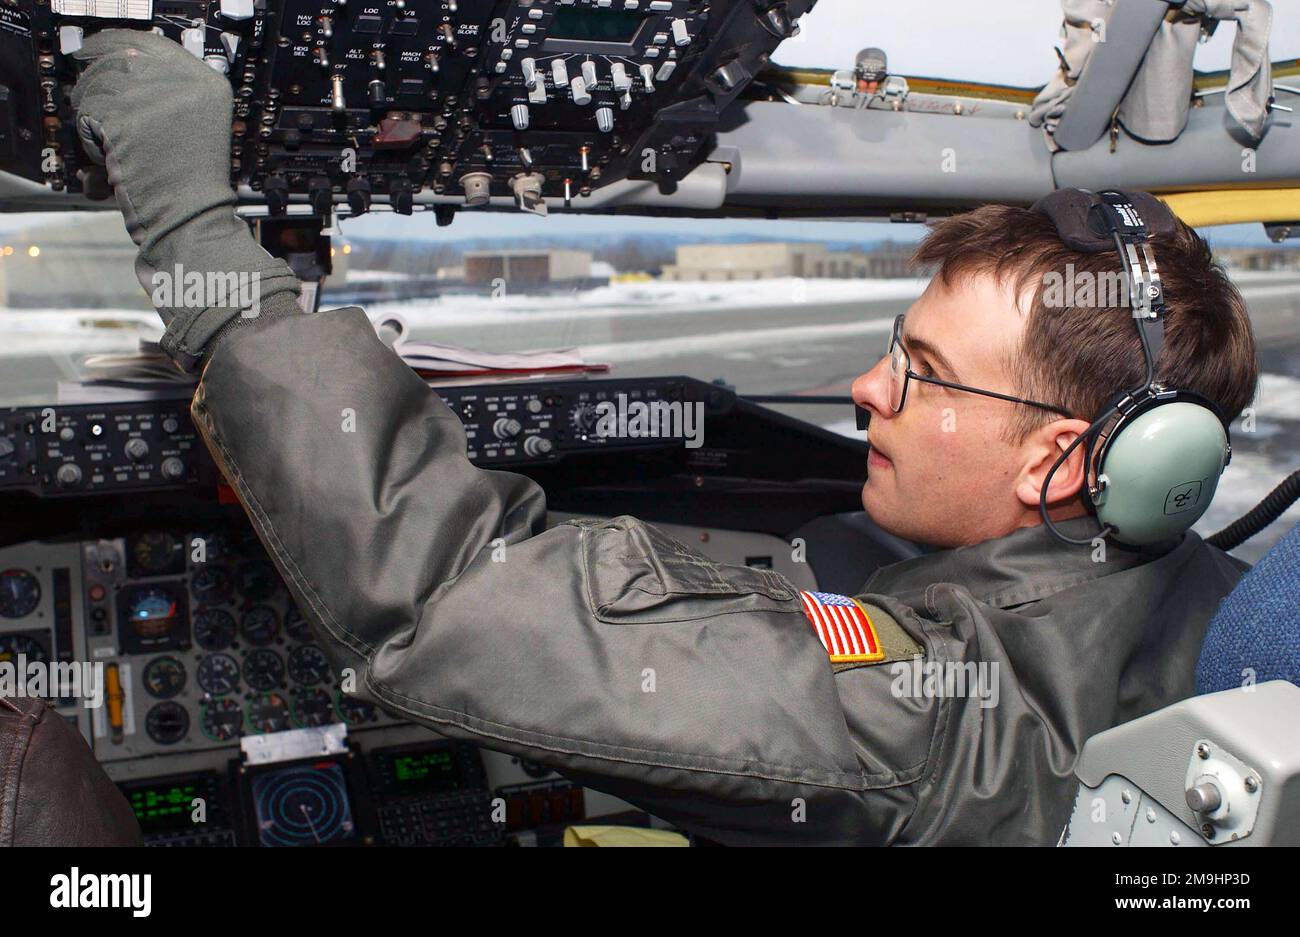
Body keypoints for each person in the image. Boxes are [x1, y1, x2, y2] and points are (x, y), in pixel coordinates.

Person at [69, 30, 1258, 845]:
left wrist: (201, 247)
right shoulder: (1231, 609)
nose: (863, 388)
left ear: (1061, 460)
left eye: (924, 375)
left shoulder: (941, 719)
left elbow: (440, 600)